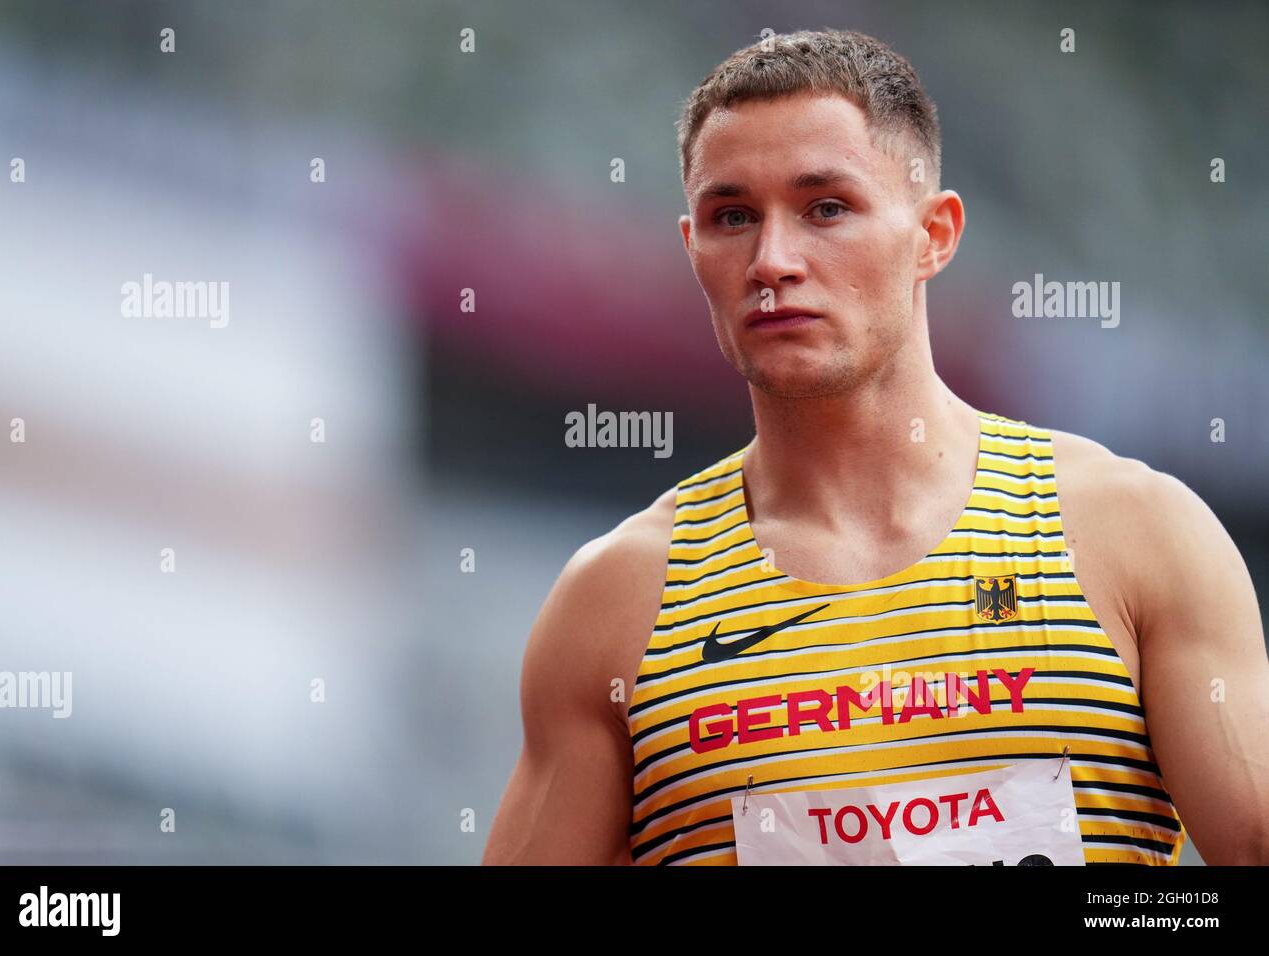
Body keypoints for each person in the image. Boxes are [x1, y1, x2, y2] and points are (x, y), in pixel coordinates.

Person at [482, 29, 1268, 865]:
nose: (772, 260)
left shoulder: (1136, 533)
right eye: (733, 216)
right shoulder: (617, 600)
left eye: (827, 208)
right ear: (691, 250)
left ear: (934, 234)